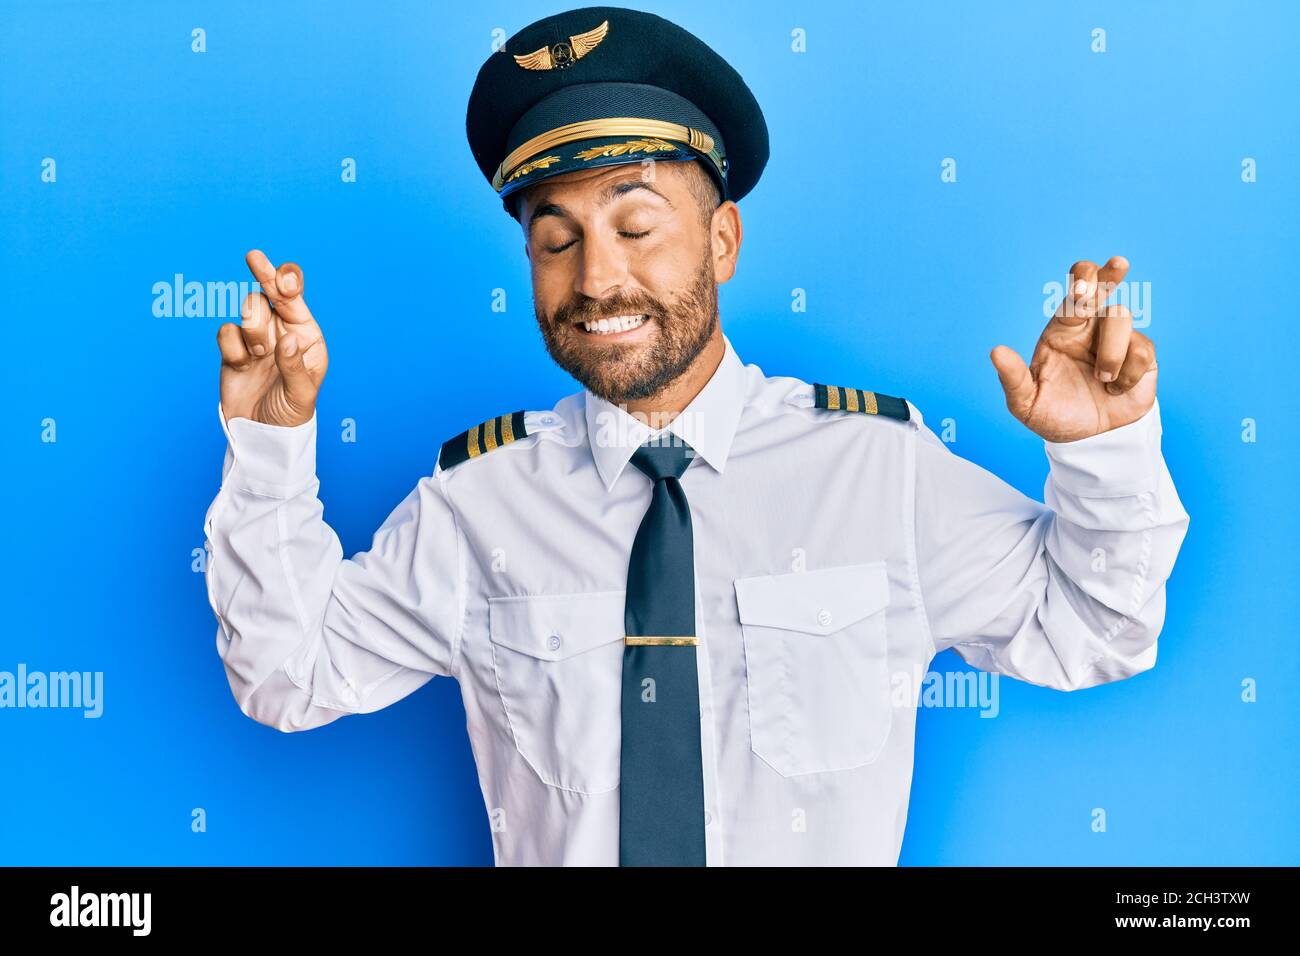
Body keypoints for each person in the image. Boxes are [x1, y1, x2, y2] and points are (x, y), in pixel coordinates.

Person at [203, 6, 1190, 866]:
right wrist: (268, 441)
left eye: (636, 228)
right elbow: (289, 672)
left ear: (721, 241)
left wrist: (1101, 452)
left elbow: (1097, 628)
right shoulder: (475, 504)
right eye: (556, 240)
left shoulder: (878, 470)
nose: (595, 280)